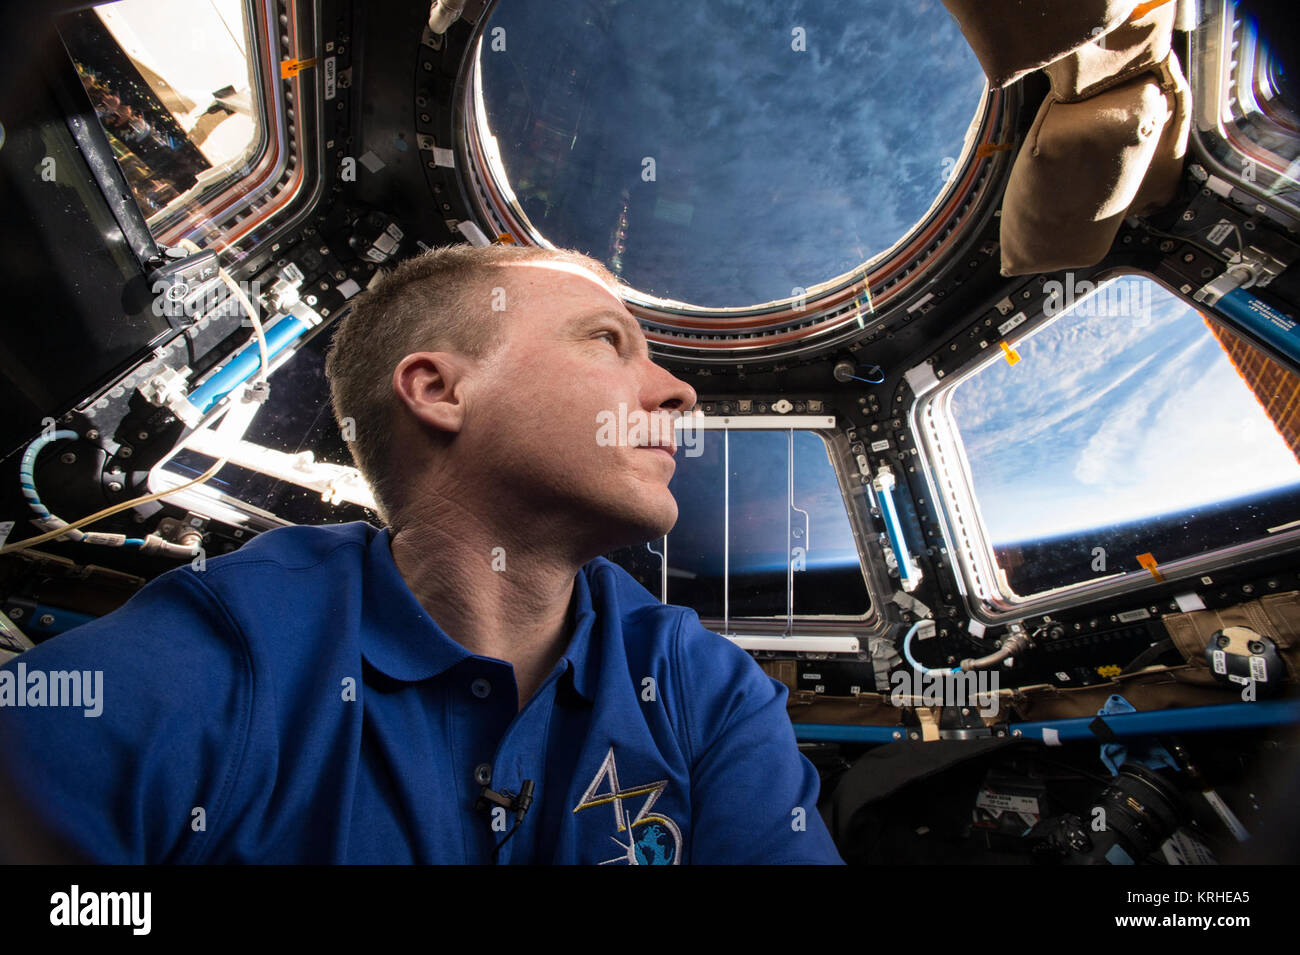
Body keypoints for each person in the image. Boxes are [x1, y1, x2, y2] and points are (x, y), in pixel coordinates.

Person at [0, 244, 844, 864]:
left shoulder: (708, 688)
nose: (677, 391)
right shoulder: (221, 650)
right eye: (607, 341)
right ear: (440, 390)